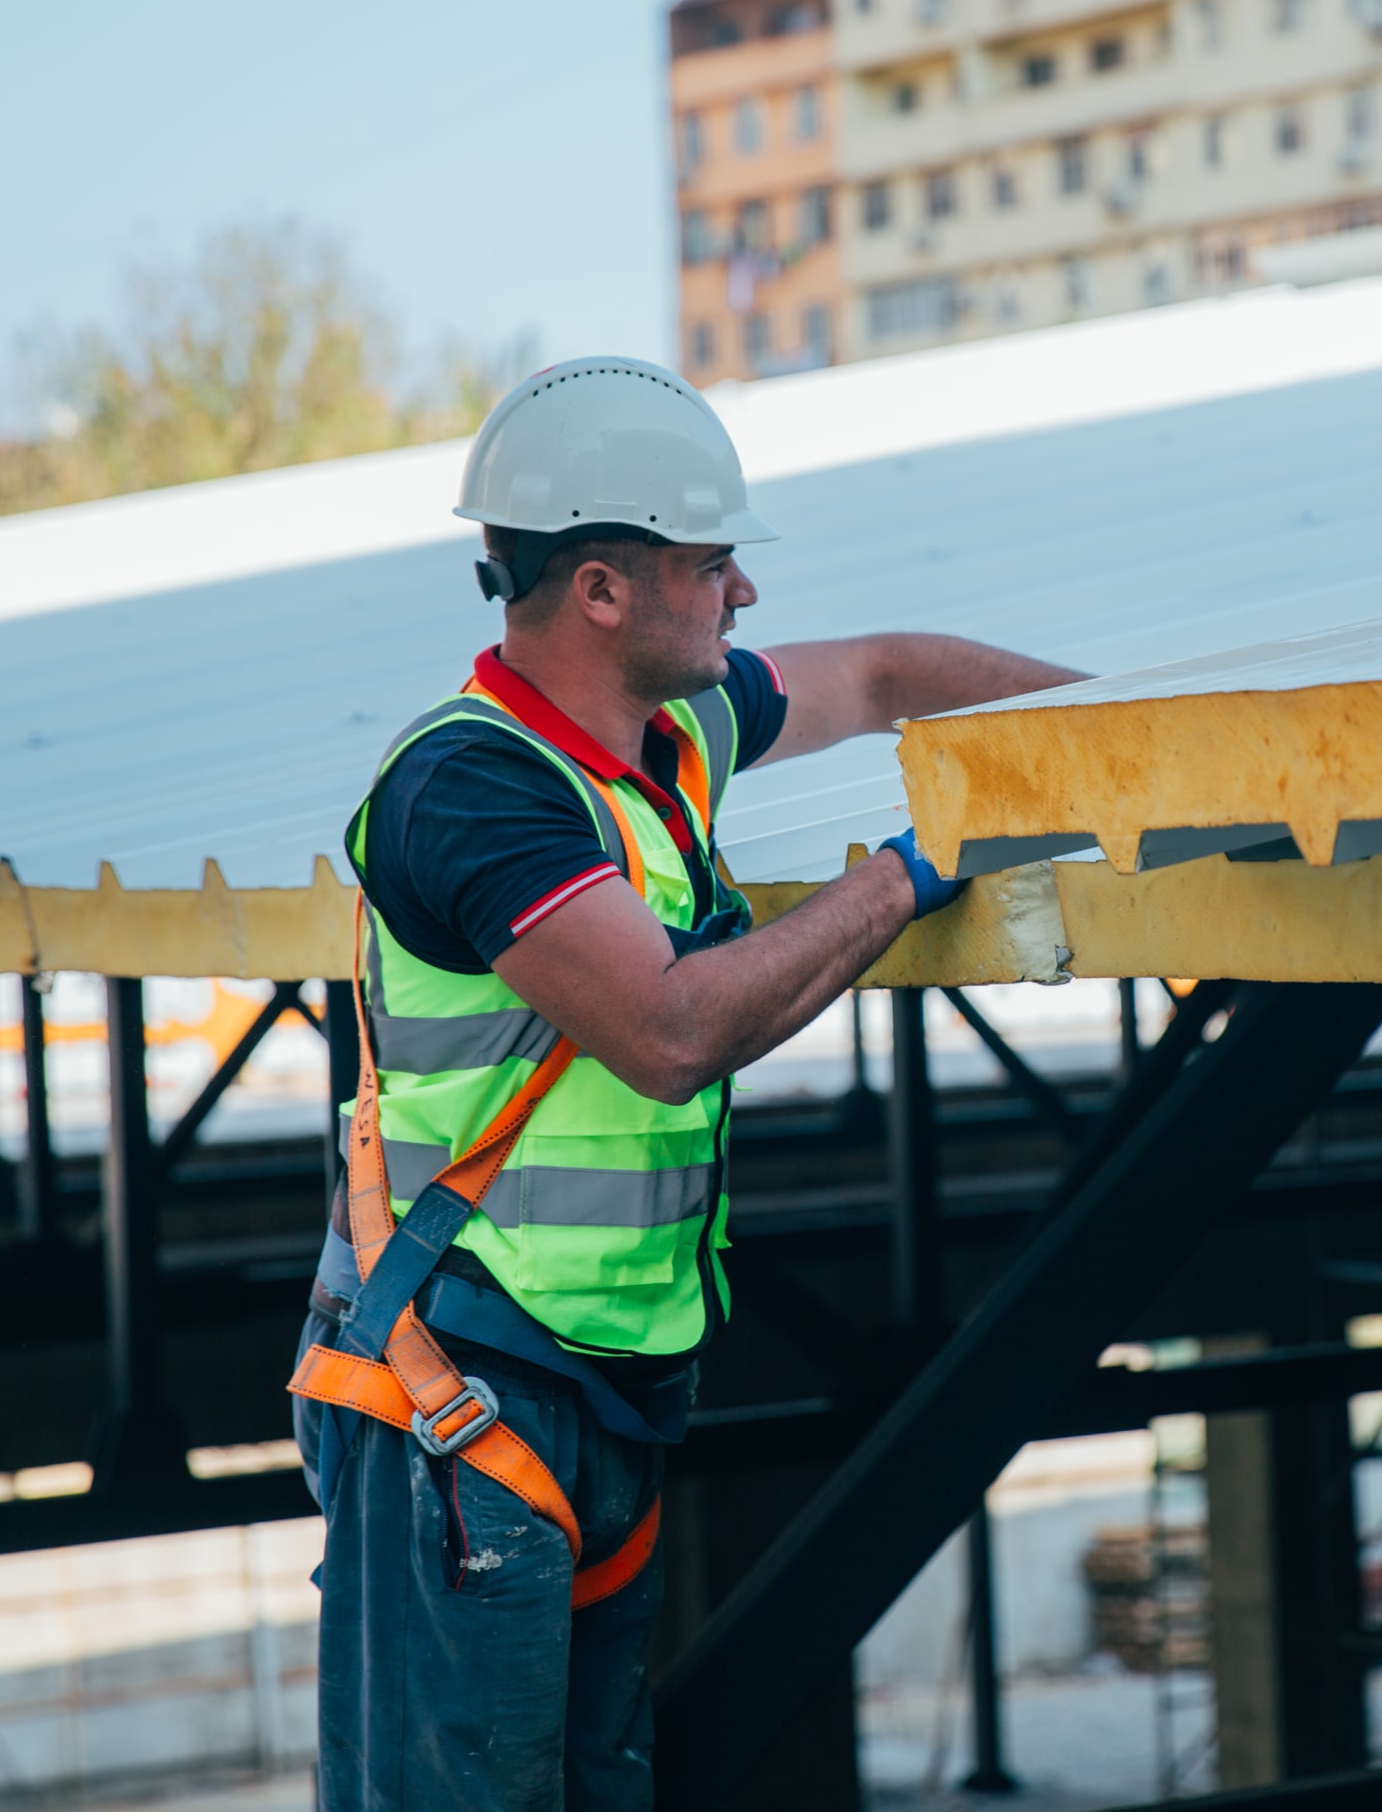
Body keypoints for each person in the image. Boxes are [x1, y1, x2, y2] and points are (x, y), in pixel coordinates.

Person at [293, 356, 1081, 1810]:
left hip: (591, 1385)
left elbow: (889, 675)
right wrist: (905, 877)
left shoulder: (668, 742)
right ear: (602, 589)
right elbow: (667, 1029)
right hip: (463, 1392)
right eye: (713, 563)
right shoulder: (472, 789)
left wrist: (1126, 739)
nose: (745, 595)